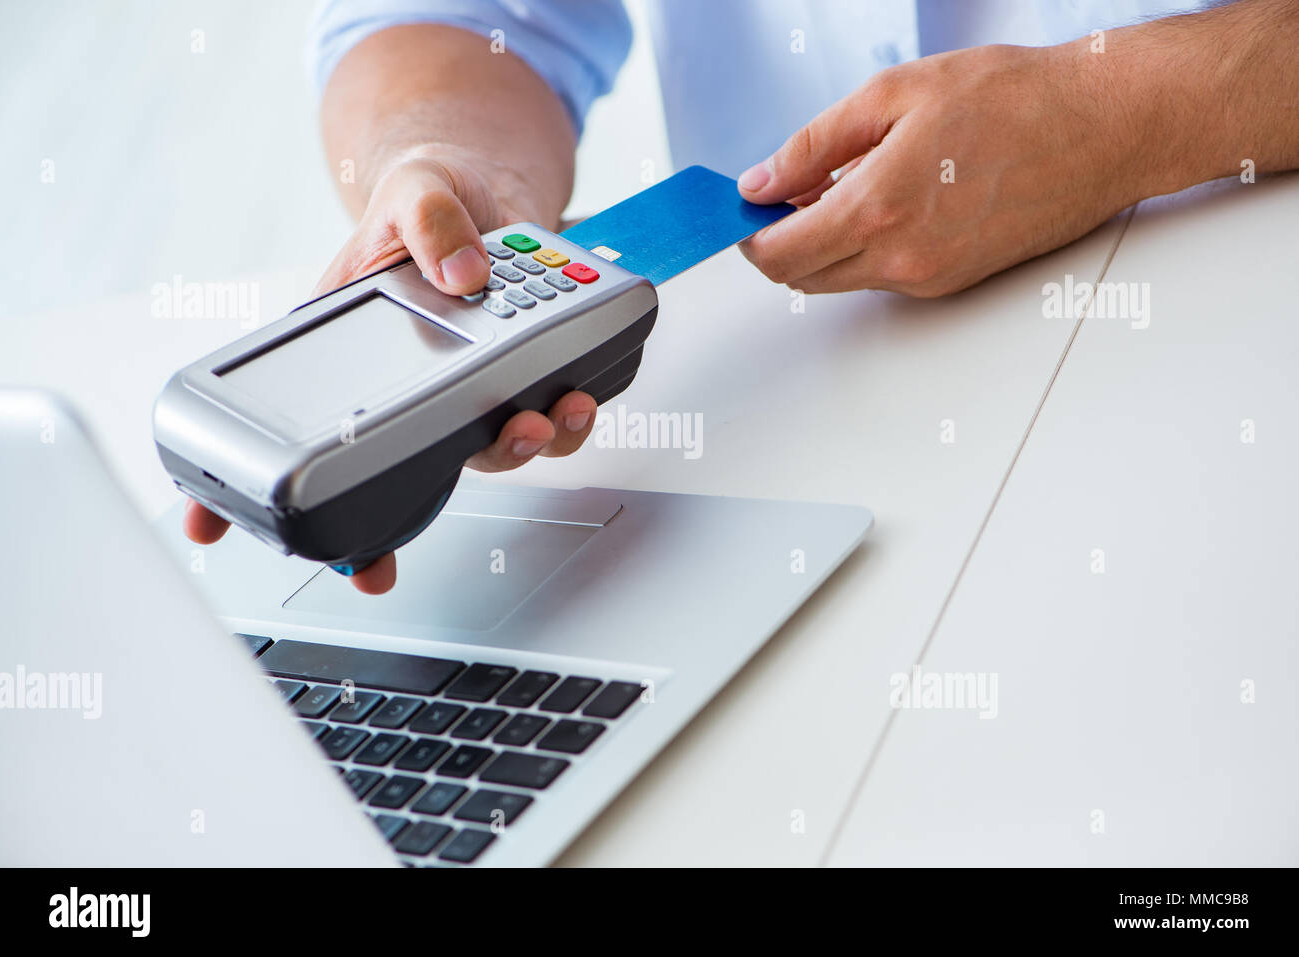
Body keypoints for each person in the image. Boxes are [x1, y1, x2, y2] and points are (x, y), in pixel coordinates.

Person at [183, 0, 1299, 593]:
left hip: (1239, 427)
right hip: (790, 443)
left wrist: (1124, 109)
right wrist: (436, 156)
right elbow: (461, 15)